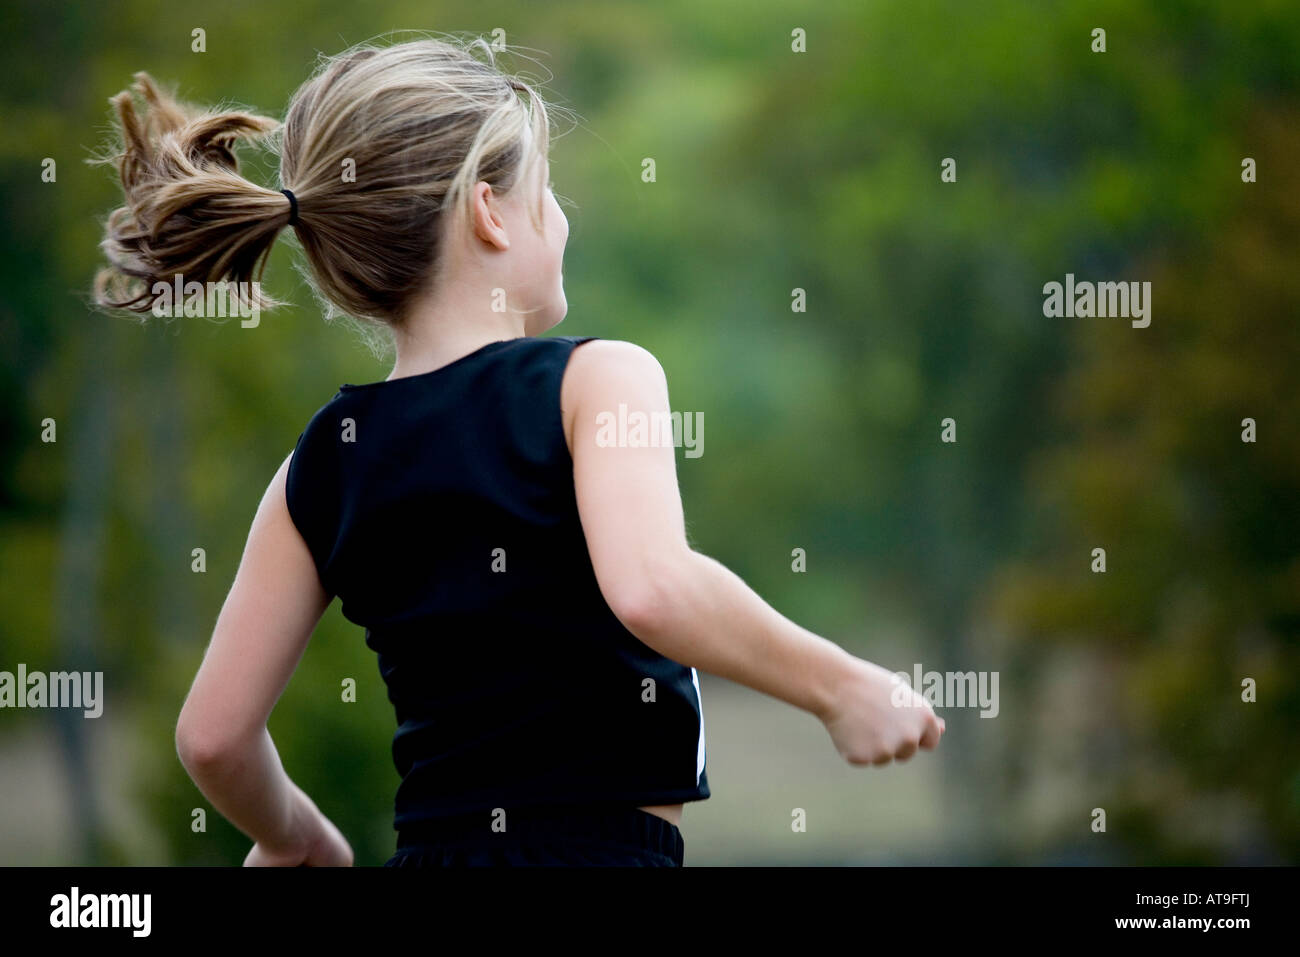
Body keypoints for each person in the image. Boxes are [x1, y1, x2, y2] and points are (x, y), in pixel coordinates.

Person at [93, 34, 944, 867]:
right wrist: (843, 686)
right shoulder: (596, 381)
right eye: (548, 192)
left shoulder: (317, 466)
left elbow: (212, 737)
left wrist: (292, 837)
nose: (563, 218)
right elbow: (652, 587)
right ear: (488, 211)